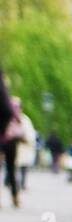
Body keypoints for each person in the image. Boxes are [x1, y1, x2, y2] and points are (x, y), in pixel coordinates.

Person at [0, 66, 22, 208]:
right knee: (11, 169)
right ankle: (15, 196)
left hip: (4, 138)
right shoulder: (13, 105)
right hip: (10, 140)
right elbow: (11, 113)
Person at [13, 98, 35, 192]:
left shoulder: (25, 119)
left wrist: (24, 139)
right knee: (13, 167)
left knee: (23, 167)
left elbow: (30, 134)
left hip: (23, 147)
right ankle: (13, 183)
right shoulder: (10, 119)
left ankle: (22, 183)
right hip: (14, 147)